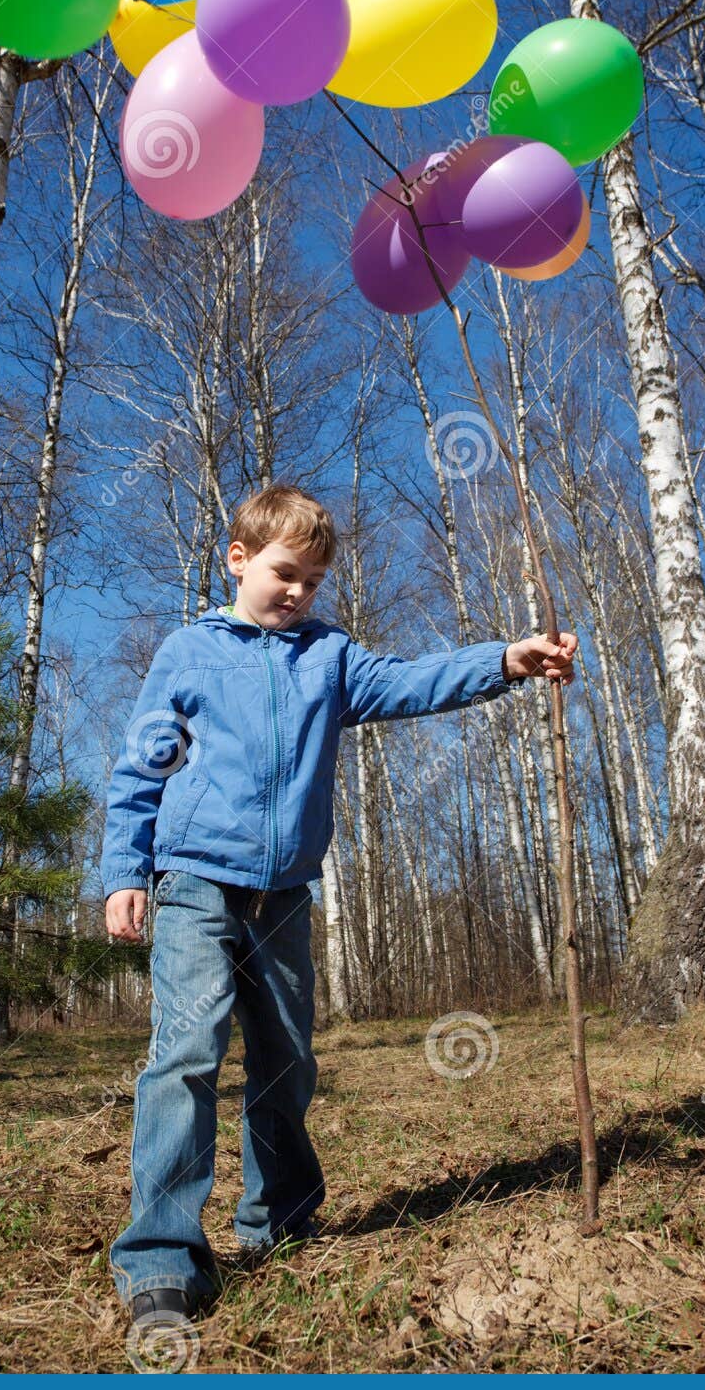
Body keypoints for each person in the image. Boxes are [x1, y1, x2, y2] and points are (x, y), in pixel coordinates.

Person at [101, 482, 577, 1336]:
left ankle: (276, 1223)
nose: (297, 592)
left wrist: (504, 661)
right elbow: (142, 765)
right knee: (186, 1055)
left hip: (282, 895)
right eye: (286, 573)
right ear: (239, 559)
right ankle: (161, 1262)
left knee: (286, 1060)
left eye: (314, 581)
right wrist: (123, 870)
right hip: (193, 882)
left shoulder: (330, 658)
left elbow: (412, 680)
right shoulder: (187, 652)